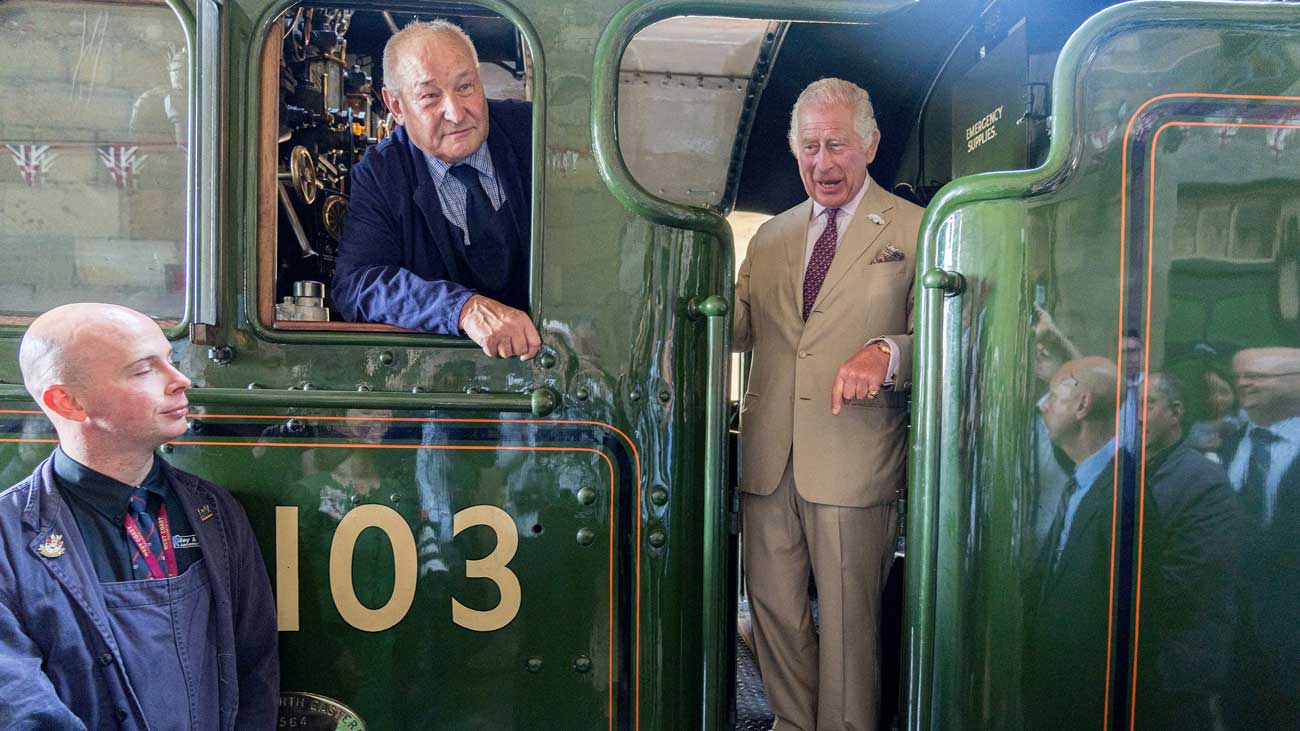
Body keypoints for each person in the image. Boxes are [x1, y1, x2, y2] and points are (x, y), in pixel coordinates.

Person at [732, 77, 923, 731]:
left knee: (847, 626)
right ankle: (791, 721)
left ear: (869, 143)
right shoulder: (771, 238)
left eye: (836, 145)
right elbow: (732, 328)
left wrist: (888, 353)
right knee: (775, 613)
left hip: (854, 457)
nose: (822, 163)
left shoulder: (916, 229)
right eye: (809, 147)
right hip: (768, 457)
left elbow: (953, 341)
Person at [0, 303, 278, 730]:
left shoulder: (215, 515)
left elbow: (255, 674)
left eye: (170, 359)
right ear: (67, 401)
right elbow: (20, 707)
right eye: (144, 370)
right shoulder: (7, 536)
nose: (181, 380)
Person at [333, 20, 540, 359]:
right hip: (443, 375)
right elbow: (357, 283)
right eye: (430, 96)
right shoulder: (381, 173)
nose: (456, 113)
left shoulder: (534, 133)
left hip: (544, 360)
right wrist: (462, 308)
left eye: (466, 87)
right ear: (396, 107)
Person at [1131, 372, 1237, 728]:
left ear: (1175, 411)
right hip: (1136, 663)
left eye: (1147, 404)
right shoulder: (1125, 472)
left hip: (1173, 670)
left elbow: (1184, 581)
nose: (1136, 415)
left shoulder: (1204, 482)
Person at [1023, 356, 1119, 730]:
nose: (1043, 406)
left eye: (1052, 396)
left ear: (1082, 406)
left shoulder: (1120, 492)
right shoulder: (1084, 480)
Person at [1220, 346, 1300, 730]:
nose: (1244, 384)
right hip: (1232, 630)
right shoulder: (1231, 442)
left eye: (1259, 377)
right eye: (1240, 377)